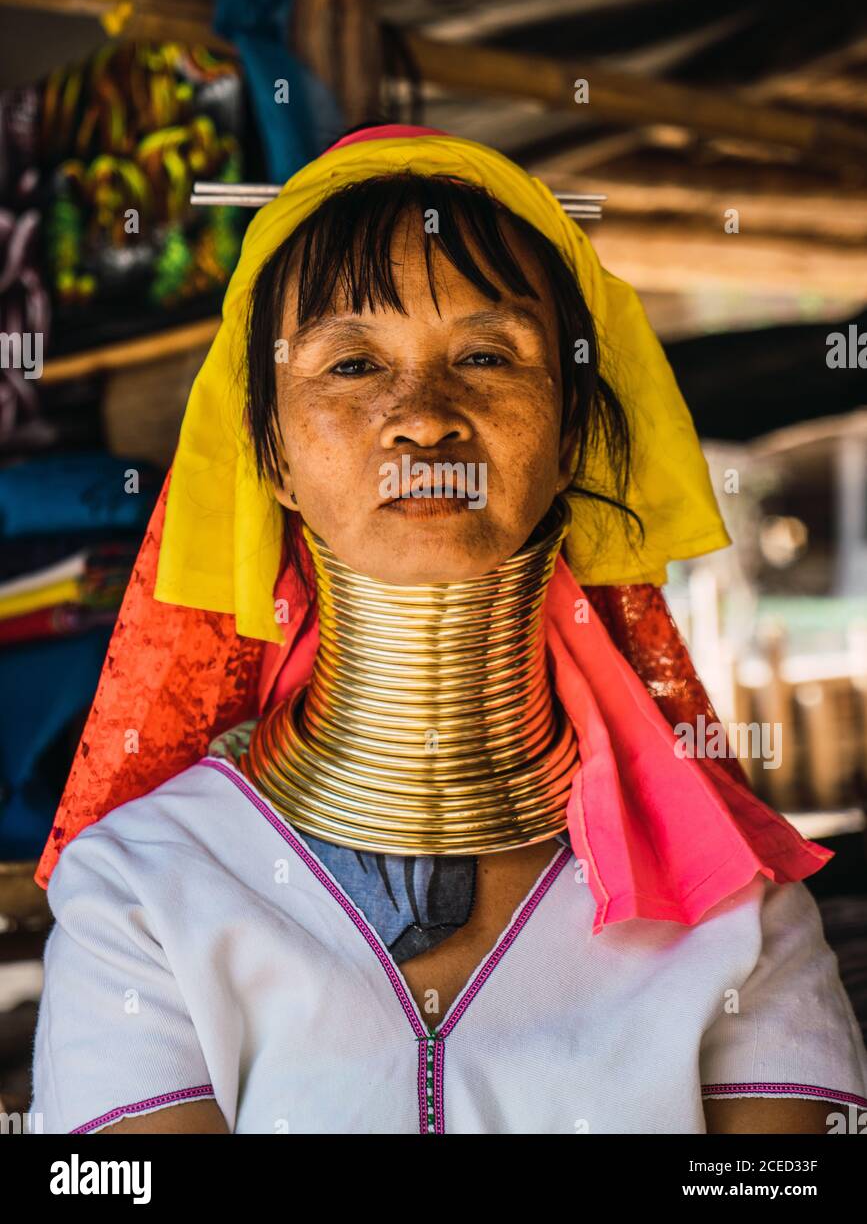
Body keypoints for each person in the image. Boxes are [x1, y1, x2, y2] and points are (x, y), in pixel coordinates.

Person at [28, 124, 867, 1135]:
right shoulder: (142, 893)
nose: (423, 416)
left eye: (485, 353)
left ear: (570, 438)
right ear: (275, 459)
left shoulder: (739, 908)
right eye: (349, 365)